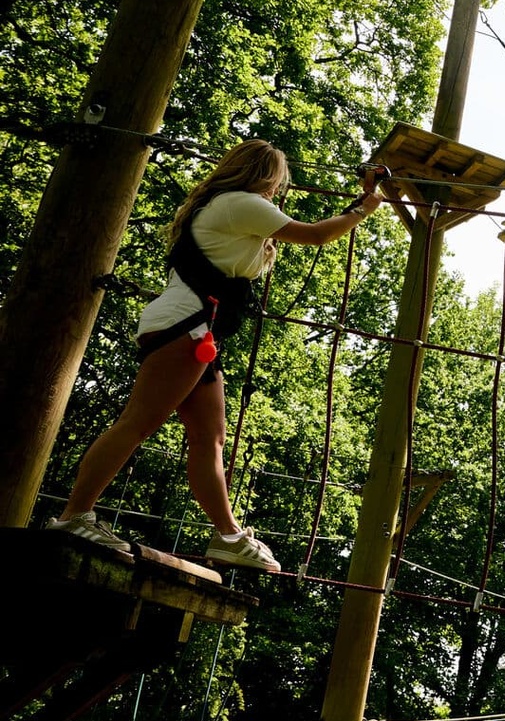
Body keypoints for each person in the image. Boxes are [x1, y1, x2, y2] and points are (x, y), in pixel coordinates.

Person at [47, 139, 381, 572]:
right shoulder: (240, 203)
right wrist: (366, 207)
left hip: (191, 329)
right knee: (138, 422)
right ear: (265, 176)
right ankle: (74, 516)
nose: (278, 192)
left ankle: (227, 536)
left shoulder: (227, 208)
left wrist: (359, 199)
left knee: (210, 438)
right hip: (185, 327)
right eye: (278, 182)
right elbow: (316, 235)